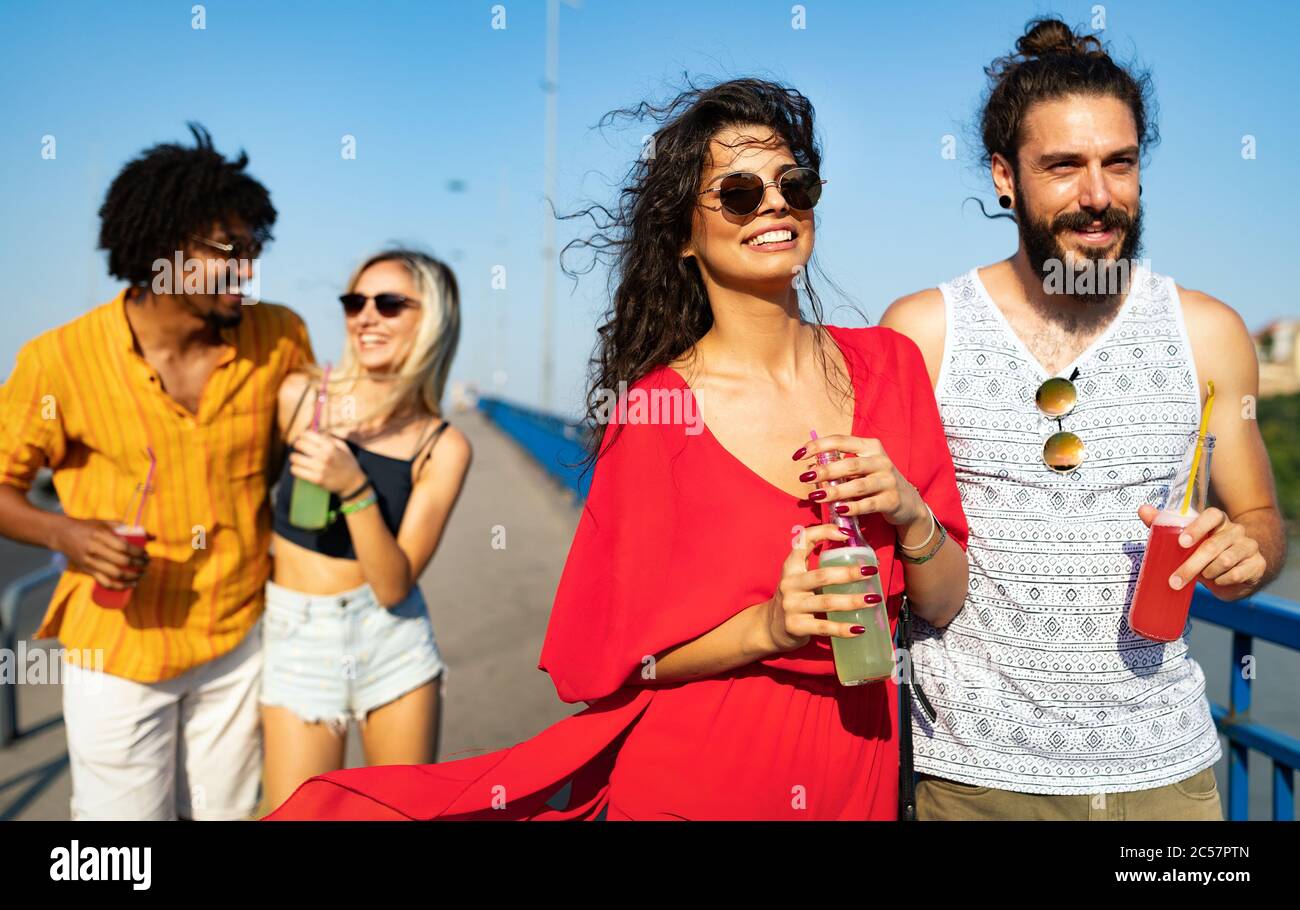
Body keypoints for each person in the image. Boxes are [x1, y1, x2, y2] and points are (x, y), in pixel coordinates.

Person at [265, 78, 969, 821]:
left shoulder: (892, 366)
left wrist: (912, 513)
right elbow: (614, 660)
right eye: (735, 192)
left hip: (855, 774)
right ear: (683, 236)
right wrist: (767, 626)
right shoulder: (655, 414)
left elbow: (946, 598)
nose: (773, 204)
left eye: (793, 182)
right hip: (694, 781)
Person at [881, 17, 1288, 821]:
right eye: (1063, 167)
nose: (1097, 195)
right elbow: (885, 549)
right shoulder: (924, 331)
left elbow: (1262, 522)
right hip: (974, 782)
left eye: (1120, 163)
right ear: (1005, 177)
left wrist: (1250, 555)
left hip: (1167, 777)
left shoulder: (1208, 332)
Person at [0, 124, 315, 820]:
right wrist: (67, 534)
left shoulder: (280, 335)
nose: (247, 274)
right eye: (229, 254)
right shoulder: (58, 360)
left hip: (238, 635)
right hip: (119, 649)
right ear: (160, 252)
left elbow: (320, 443)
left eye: (254, 253)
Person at [260, 250, 471, 810]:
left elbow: (393, 585)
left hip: (390, 639)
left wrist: (353, 489)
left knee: (399, 810)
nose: (366, 316)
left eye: (389, 303)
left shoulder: (442, 445)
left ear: (432, 320)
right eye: (355, 302)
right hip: (296, 632)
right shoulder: (300, 397)